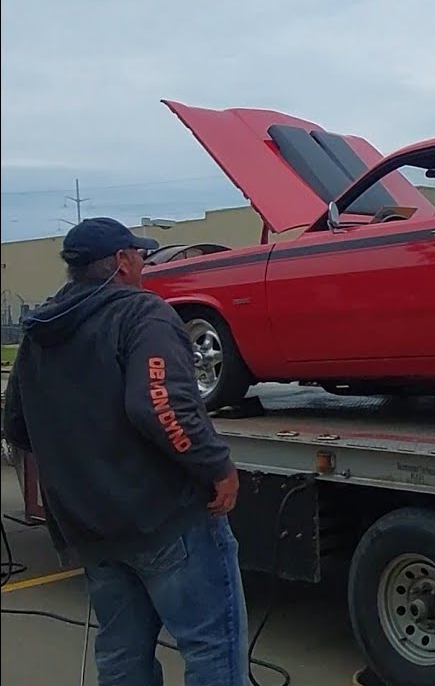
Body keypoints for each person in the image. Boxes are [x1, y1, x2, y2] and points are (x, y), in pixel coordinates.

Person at [2, 217, 249, 685]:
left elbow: (17, 423)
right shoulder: (141, 313)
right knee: (212, 647)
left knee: (121, 657)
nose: (145, 264)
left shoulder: (40, 331)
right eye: (140, 255)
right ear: (121, 261)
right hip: (163, 519)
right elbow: (160, 406)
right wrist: (217, 465)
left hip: (91, 527)